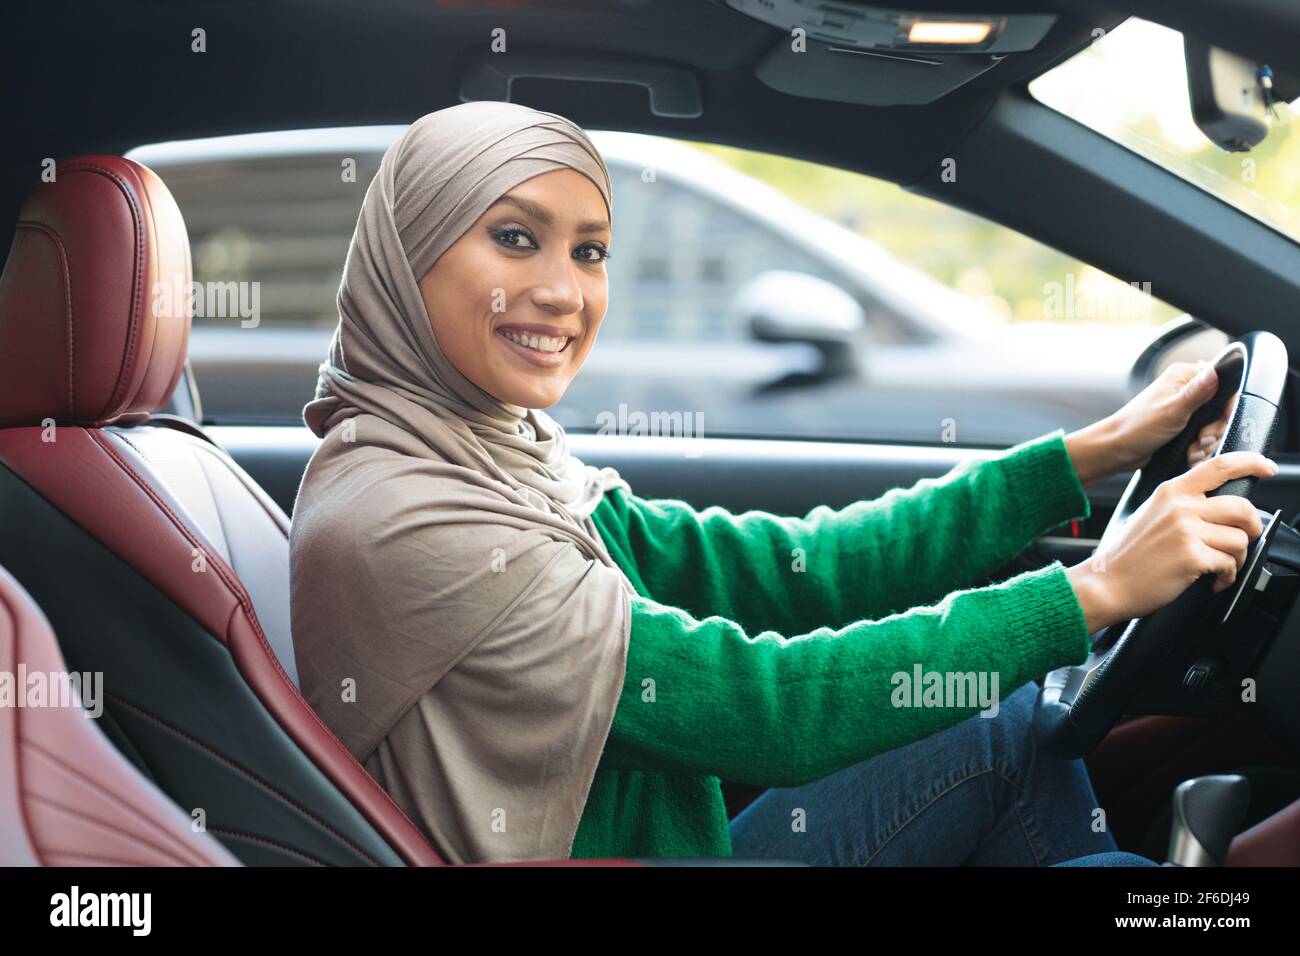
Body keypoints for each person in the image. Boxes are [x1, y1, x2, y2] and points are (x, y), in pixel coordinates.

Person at [288, 100, 1273, 867]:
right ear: (406, 256)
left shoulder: (490, 453)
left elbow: (784, 568)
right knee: (1000, 725)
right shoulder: (414, 519)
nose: (563, 289)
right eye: (515, 237)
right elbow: (772, 709)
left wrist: (1083, 456)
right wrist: (1093, 591)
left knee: (1005, 724)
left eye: (588, 250)